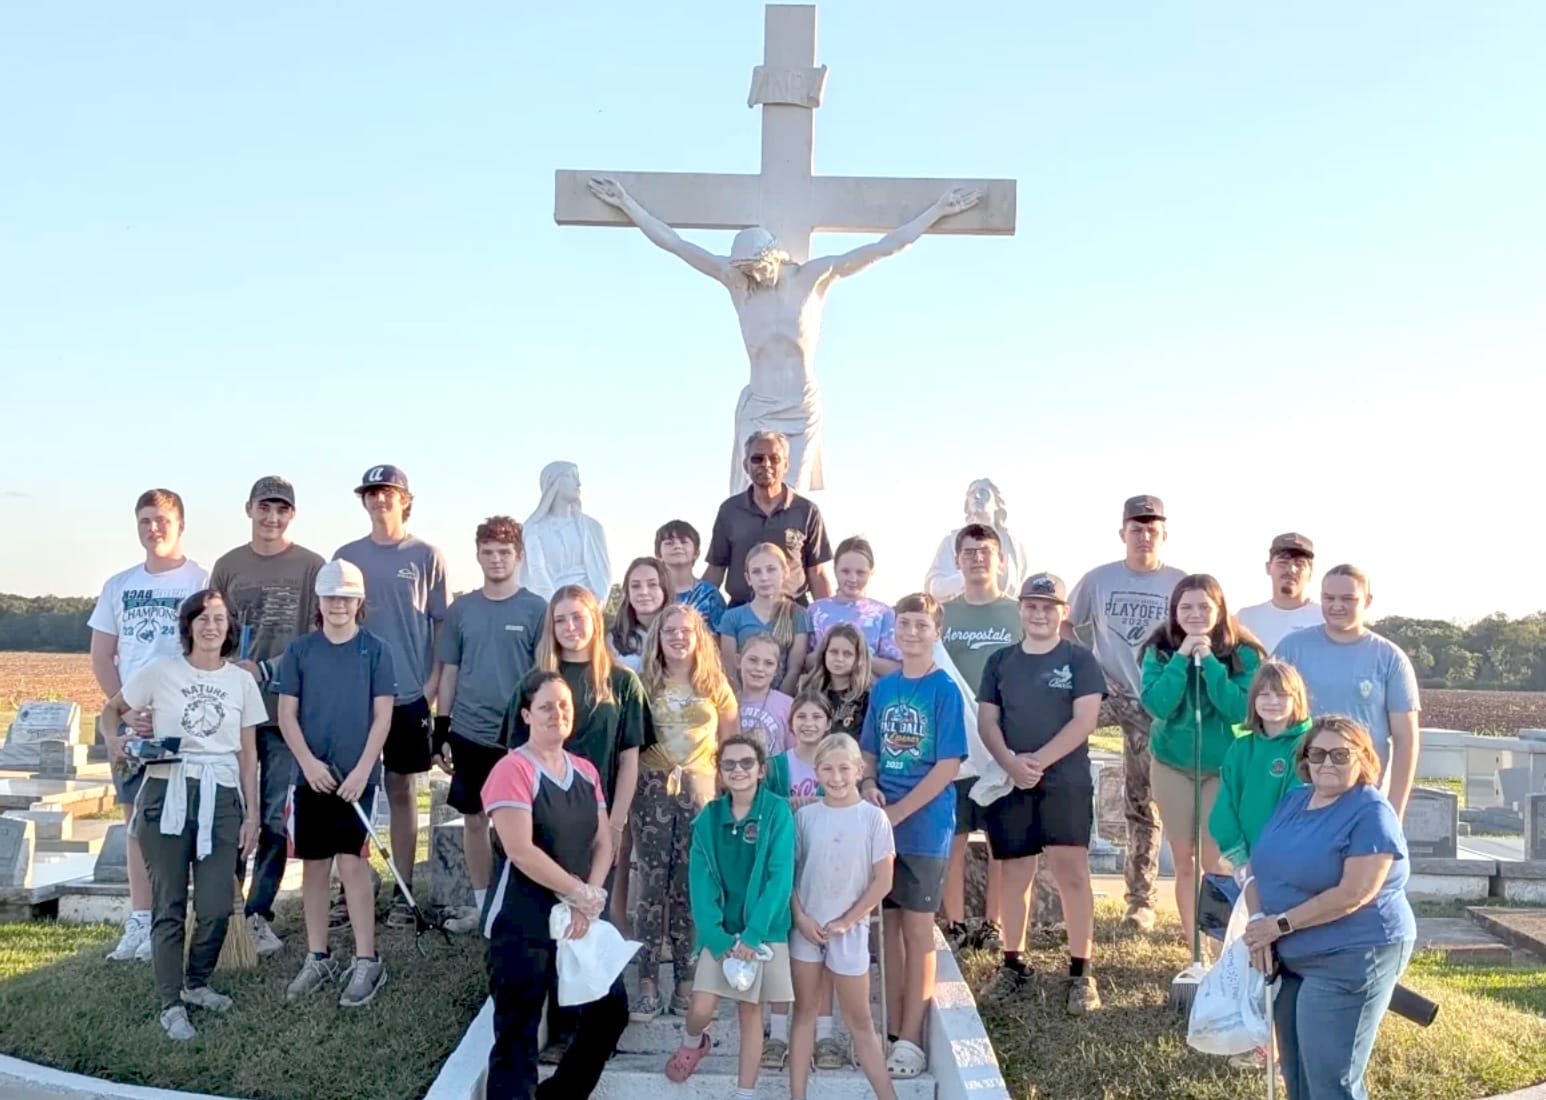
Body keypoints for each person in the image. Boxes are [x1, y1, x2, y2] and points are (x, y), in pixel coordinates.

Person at [587, 176, 981, 496]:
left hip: (798, 406)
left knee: (791, 505)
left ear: (773, 256)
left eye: (759, 268)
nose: (754, 276)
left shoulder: (813, 278)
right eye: (748, 270)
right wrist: (627, 204)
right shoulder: (738, 283)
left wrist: (938, 211)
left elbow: (885, 246)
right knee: (746, 502)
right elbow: (676, 244)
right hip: (758, 405)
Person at [101, 589, 263, 1040]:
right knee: (168, 903)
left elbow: (248, 754)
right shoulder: (161, 672)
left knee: (214, 905)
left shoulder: (241, 682)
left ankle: (196, 981)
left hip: (221, 795)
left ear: (229, 626)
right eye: (202, 618)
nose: (211, 626)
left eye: (219, 618)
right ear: (188, 625)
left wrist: (251, 815)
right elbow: (111, 710)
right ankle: (171, 1001)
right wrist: (116, 740)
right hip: (166, 793)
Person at [508, 585, 649, 1065]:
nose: (571, 627)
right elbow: (514, 752)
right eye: (561, 619)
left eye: (579, 617)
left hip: (598, 819)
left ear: (596, 619)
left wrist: (616, 821)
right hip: (543, 817)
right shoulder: (534, 680)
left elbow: (629, 758)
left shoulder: (622, 682)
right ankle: (559, 1026)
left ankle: (593, 1028)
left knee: (590, 916)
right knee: (549, 919)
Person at [1242, 717, 1416, 1100]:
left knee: (1331, 1083)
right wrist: (1258, 923)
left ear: (1363, 758)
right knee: (1298, 1078)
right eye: (1317, 753)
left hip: (1351, 955)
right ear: (1304, 758)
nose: (1327, 763)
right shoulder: (1294, 799)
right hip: (1290, 955)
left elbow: (1354, 893)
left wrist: (1278, 925)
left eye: (1341, 755)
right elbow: (1257, 867)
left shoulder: (1371, 812)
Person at [481, 670, 627, 1099]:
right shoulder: (512, 769)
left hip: (577, 918)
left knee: (610, 1011)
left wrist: (590, 898)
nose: (556, 714)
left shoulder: (584, 770)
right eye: (545, 706)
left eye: (564, 705)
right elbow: (520, 850)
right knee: (517, 1037)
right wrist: (577, 892)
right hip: (521, 919)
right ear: (526, 713)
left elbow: (604, 842)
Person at [89, 487, 210, 963]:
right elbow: (102, 654)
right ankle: (140, 919)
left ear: (180, 524)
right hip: (135, 724)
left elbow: (213, 648)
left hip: (189, 719)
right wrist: (122, 709)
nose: (153, 528)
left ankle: (184, 918)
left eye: (161, 519)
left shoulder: (200, 580)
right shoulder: (119, 585)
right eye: (145, 520)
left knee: (190, 823)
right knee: (138, 824)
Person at [975, 573, 1105, 1015]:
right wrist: (1012, 763)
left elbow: (1084, 720)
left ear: (1062, 612)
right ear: (1021, 610)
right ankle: (1014, 965)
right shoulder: (1000, 661)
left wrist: (1038, 762)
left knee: (1071, 873)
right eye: (1032, 605)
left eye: (1049, 607)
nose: (1039, 614)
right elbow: (987, 721)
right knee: (1014, 872)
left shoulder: (1079, 659)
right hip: (1012, 779)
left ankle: (1081, 972)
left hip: (1064, 780)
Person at [210, 475, 324, 957]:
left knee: (275, 816)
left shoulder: (312, 567)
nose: (271, 518)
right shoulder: (228, 566)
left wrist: (269, 666)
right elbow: (208, 626)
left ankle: (257, 913)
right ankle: (223, 910)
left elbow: (320, 636)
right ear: (249, 509)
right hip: (234, 712)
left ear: (292, 515)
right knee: (233, 813)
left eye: (281, 510)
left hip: (284, 711)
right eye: (264, 508)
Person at [274, 560, 396, 1008]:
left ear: (359, 602)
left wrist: (364, 769)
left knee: (353, 864)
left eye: (346, 598)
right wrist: (307, 763)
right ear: (319, 603)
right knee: (315, 865)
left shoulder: (377, 650)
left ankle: (366, 959)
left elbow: (382, 715)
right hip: (311, 777)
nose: (338, 606)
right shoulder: (300, 651)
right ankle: (318, 954)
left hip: (357, 777)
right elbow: (287, 714)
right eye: (330, 598)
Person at [1064, 494, 1186, 931]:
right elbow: (1065, 623)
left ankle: (1141, 900)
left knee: (1143, 800)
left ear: (1164, 534)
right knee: (1053, 771)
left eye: (1152, 528)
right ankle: (1055, 889)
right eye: (1136, 528)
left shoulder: (1180, 583)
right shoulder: (1098, 580)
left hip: (1152, 703)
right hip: (1102, 694)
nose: (1144, 535)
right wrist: (1089, 667)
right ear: (1123, 533)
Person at [334, 464, 448, 929]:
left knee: (402, 791)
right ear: (364, 501)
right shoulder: (346, 555)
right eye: (372, 494)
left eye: (389, 493)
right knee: (353, 792)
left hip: (408, 694)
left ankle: (402, 888)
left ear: (406, 500)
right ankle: (353, 886)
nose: (381, 501)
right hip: (356, 696)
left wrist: (434, 682)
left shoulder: (426, 555)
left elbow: (442, 624)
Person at [860, 592, 966, 1079]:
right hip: (885, 826)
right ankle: (892, 1031)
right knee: (888, 933)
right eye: (904, 624)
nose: (911, 632)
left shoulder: (944, 689)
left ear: (935, 631)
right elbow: (870, 754)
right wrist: (867, 785)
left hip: (924, 826)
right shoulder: (884, 689)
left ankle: (912, 1036)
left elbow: (948, 766)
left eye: (921, 625)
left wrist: (902, 809)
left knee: (918, 931)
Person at [433, 517, 548, 935]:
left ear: (519, 556)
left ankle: (523, 901)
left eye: (504, 552)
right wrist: (441, 729)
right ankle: (484, 906)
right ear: (477, 554)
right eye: (488, 552)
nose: (496, 559)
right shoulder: (461, 609)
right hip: (470, 731)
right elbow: (449, 671)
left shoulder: (537, 608)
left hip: (520, 736)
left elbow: (543, 674)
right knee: (474, 819)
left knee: (524, 823)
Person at [1138, 574, 1263, 951]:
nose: (1195, 614)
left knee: (1216, 859)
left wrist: (1208, 661)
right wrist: (1181, 659)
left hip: (1221, 768)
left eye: (1204, 607)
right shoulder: (1159, 649)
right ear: (1174, 612)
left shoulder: (1244, 652)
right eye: (1186, 607)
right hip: (1172, 765)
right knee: (1185, 859)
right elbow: (1158, 704)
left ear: (1220, 610)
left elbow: (1239, 709)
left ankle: (1220, 941)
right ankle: (1195, 948)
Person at [665, 734, 796, 1093]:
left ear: (761, 770)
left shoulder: (776, 811)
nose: (738, 770)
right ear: (719, 772)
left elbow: (779, 877)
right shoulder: (709, 818)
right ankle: (694, 1043)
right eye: (729, 764)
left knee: (750, 1013)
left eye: (746, 763)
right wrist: (718, 938)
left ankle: (745, 1092)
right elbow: (701, 881)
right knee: (701, 1006)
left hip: (762, 931)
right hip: (722, 930)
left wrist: (753, 936)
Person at [630, 604, 738, 1022]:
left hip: (701, 789)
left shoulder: (715, 685)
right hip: (652, 788)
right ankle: (647, 982)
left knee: (692, 888)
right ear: (657, 637)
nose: (678, 637)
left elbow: (731, 748)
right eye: (669, 630)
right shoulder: (643, 684)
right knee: (652, 886)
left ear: (699, 638)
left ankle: (687, 979)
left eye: (686, 631)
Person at [789, 734, 898, 1100]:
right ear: (816, 771)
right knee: (804, 1013)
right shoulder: (805, 817)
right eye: (827, 769)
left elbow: (883, 880)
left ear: (858, 770)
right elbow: (788, 877)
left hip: (848, 933)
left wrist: (849, 920)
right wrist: (801, 918)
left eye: (843, 769)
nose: (836, 778)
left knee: (860, 1022)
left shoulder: (873, 819)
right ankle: (797, 1094)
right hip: (807, 930)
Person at [1275, 565, 1422, 818]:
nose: (1337, 606)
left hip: (1362, 798)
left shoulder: (1390, 658)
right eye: (1329, 598)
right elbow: (1267, 721)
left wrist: (1395, 811)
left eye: (1348, 599)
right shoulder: (1291, 649)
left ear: (1367, 600)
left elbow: (1406, 740)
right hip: (1301, 795)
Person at [939, 524, 1021, 953]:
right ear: (957, 560)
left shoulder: (1017, 613)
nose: (976, 559)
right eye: (968, 552)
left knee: (1000, 841)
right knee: (952, 834)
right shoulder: (944, 614)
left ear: (1000, 559)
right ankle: (953, 922)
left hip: (1003, 742)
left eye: (985, 552)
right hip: (954, 743)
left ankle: (992, 923)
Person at [704, 431, 834, 607]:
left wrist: (830, 620)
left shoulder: (807, 511)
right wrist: (691, 609)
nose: (766, 464)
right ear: (745, 465)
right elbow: (716, 569)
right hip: (741, 616)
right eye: (757, 458)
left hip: (794, 615)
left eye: (774, 459)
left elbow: (816, 573)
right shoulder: (729, 511)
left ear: (786, 465)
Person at [1210, 659, 1313, 874]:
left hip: (1290, 859)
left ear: (1297, 699)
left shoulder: (1309, 745)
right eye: (1264, 695)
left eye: (1282, 695)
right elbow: (1224, 806)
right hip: (1244, 861)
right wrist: (1238, 857)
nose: (1272, 701)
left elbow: (1299, 808)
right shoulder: (1240, 747)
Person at [718, 542, 810, 694]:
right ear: (748, 578)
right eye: (756, 572)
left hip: (782, 703)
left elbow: (794, 669)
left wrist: (776, 704)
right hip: (742, 701)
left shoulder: (798, 615)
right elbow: (730, 670)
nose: (764, 577)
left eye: (771, 569)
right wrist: (743, 702)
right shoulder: (732, 617)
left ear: (785, 572)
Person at [517, 460, 612, 601]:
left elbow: (602, 577)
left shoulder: (592, 528)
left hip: (586, 607)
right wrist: (556, 610)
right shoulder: (533, 530)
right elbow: (537, 575)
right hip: (549, 608)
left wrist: (591, 609)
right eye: (571, 477)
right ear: (554, 483)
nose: (578, 483)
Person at [923, 478, 1030, 603]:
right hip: (960, 616)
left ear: (997, 504)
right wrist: (972, 575)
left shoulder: (1013, 545)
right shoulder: (950, 542)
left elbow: (1021, 590)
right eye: (972, 494)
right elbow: (935, 589)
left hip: (1004, 616)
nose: (977, 497)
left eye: (984, 493)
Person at [807, 536, 901, 674]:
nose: (852, 579)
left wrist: (860, 656)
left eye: (860, 573)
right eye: (845, 571)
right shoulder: (815, 611)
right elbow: (804, 662)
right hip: (822, 693)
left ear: (871, 572)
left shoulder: (883, 614)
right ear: (835, 570)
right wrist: (828, 651)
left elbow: (896, 668)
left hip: (869, 693)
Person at [1236, 533, 1324, 653]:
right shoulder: (1246, 618)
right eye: (1283, 562)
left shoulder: (1324, 618)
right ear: (1268, 567)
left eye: (1299, 564)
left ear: (1310, 573)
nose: (1291, 570)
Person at [655, 519, 727, 631]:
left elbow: (722, 638)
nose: (677, 546)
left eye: (684, 542)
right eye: (669, 543)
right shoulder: (654, 594)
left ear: (696, 553)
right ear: (658, 554)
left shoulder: (709, 595)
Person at [803, 623, 873, 737]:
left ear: (859, 658)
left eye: (847, 654)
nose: (839, 659)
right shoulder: (809, 689)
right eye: (833, 652)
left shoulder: (867, 697)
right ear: (824, 653)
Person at [767, 690, 830, 810]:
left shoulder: (838, 767)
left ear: (828, 724)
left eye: (817, 717)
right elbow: (761, 803)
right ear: (791, 723)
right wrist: (785, 804)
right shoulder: (773, 765)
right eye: (801, 717)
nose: (809, 723)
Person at [609, 556, 670, 672]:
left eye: (652, 584)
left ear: (664, 588)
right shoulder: (612, 638)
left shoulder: (680, 632)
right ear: (628, 592)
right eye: (636, 586)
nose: (643, 592)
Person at [736, 634, 793, 755]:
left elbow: (794, 752)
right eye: (753, 660)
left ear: (776, 670)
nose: (759, 668)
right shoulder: (727, 703)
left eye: (769, 663)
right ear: (738, 661)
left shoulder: (788, 705)